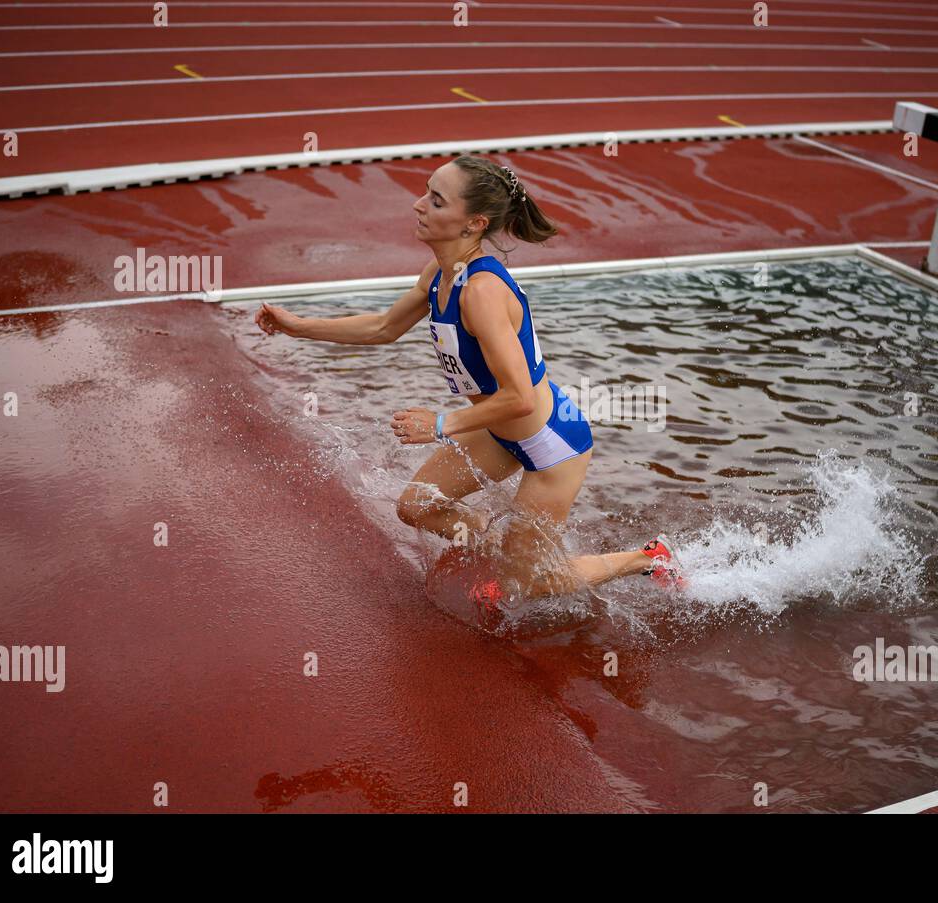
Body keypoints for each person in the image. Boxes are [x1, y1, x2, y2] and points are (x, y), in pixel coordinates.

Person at [255, 155, 685, 610]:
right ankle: (509, 548)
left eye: (436, 201)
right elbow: (382, 328)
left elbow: (519, 397)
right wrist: (296, 325)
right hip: (499, 431)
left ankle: (648, 559)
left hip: (551, 446)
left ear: (473, 223)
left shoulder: (481, 293)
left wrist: (442, 423)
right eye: (426, 192)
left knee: (534, 584)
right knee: (417, 506)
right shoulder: (438, 273)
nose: (419, 205)